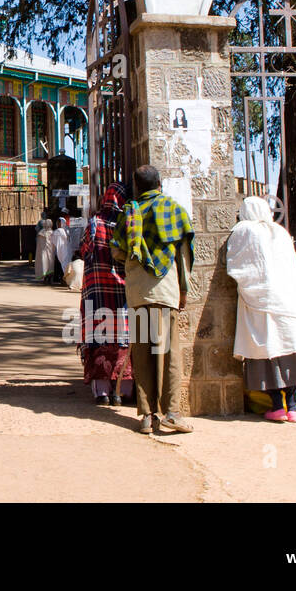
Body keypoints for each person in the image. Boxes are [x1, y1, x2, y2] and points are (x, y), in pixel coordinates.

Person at [112, 165, 194, 435]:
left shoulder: (130, 212)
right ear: (159, 183)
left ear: (137, 186)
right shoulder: (173, 210)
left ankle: (147, 416)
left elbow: (117, 252)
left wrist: (138, 260)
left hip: (138, 292)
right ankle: (171, 413)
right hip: (165, 290)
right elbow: (183, 255)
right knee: (168, 353)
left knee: (143, 353)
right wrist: (183, 289)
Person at [226, 197, 296, 422]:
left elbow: (236, 265)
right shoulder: (280, 233)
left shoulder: (243, 231)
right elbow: (293, 267)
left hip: (260, 301)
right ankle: (293, 407)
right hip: (287, 300)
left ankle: (276, 406)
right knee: (291, 348)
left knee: (266, 350)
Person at [77, 181, 135, 405]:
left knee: (99, 336)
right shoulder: (126, 222)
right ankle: (123, 390)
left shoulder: (95, 222)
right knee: (123, 336)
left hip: (96, 288)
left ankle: (101, 391)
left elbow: (84, 249)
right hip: (122, 288)